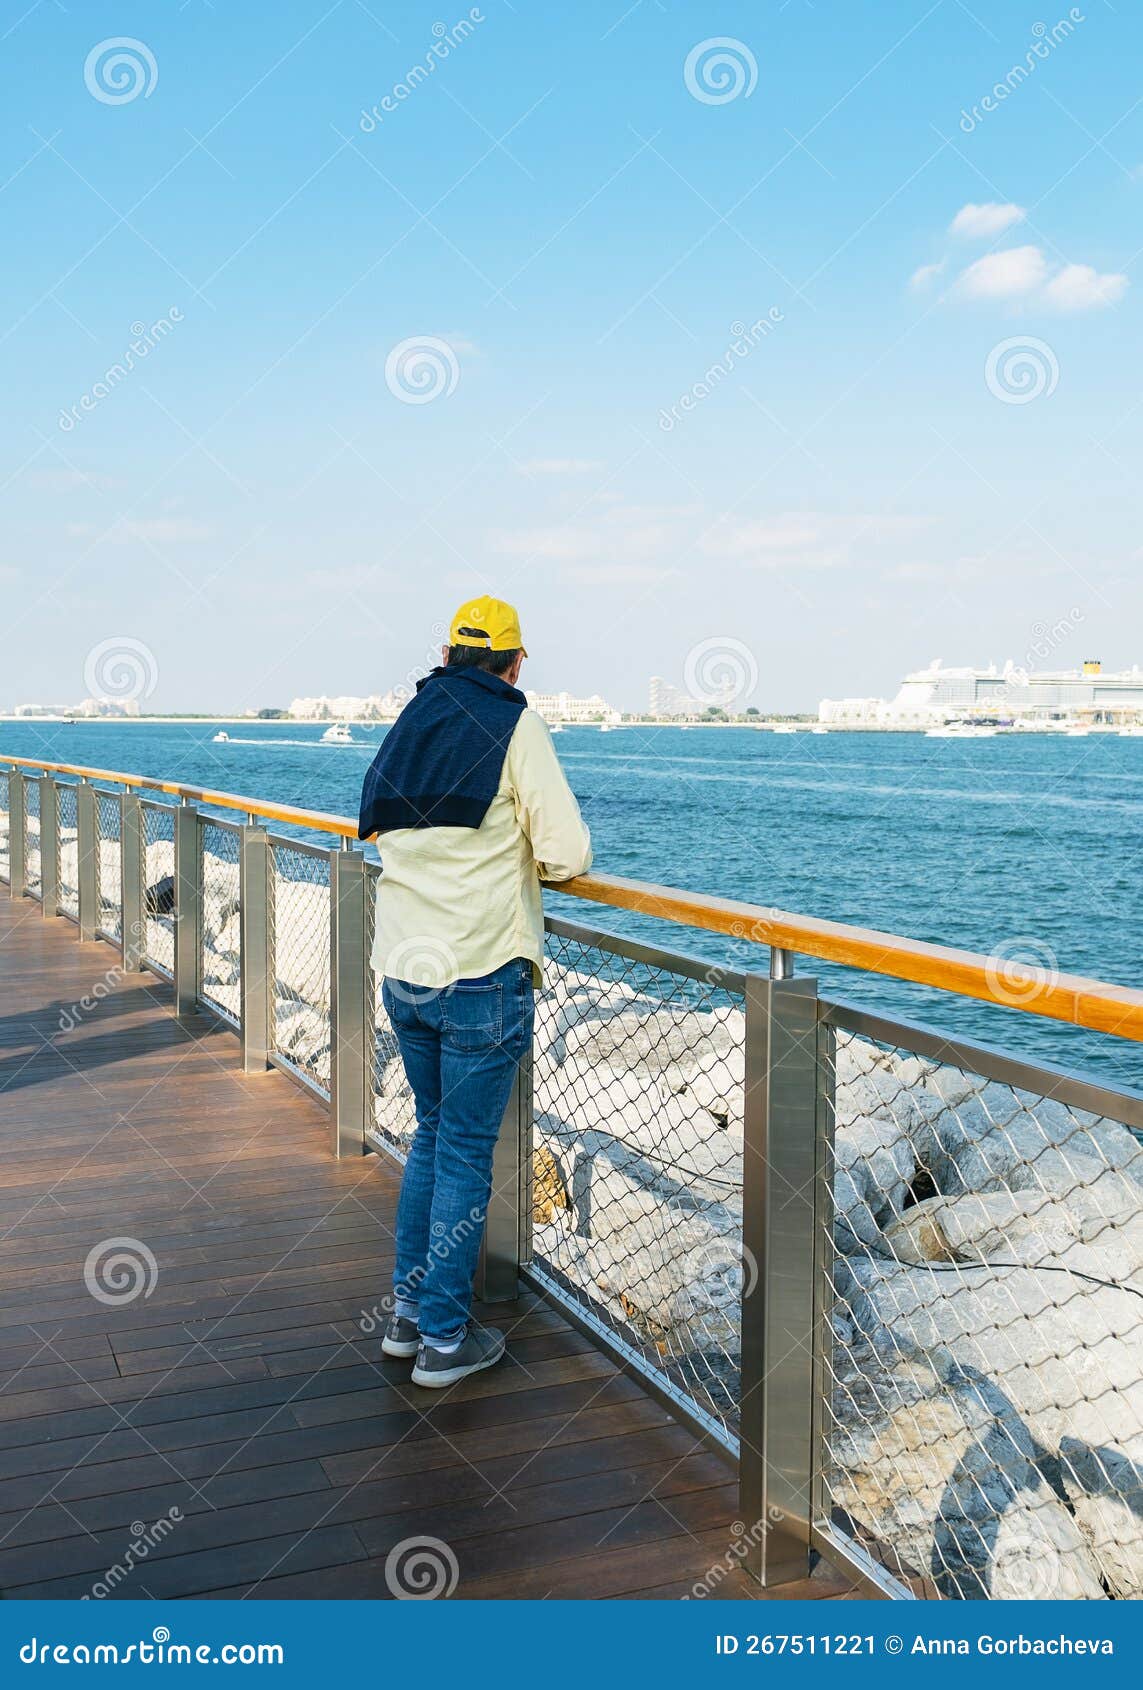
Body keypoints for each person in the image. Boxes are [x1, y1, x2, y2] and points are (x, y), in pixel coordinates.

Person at [358, 596, 592, 1387]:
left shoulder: (415, 719)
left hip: (406, 971)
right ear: (514, 661)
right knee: (460, 1150)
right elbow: (564, 851)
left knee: (429, 1138)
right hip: (478, 974)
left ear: (449, 655)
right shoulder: (514, 723)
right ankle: (447, 1344)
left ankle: (410, 1319)